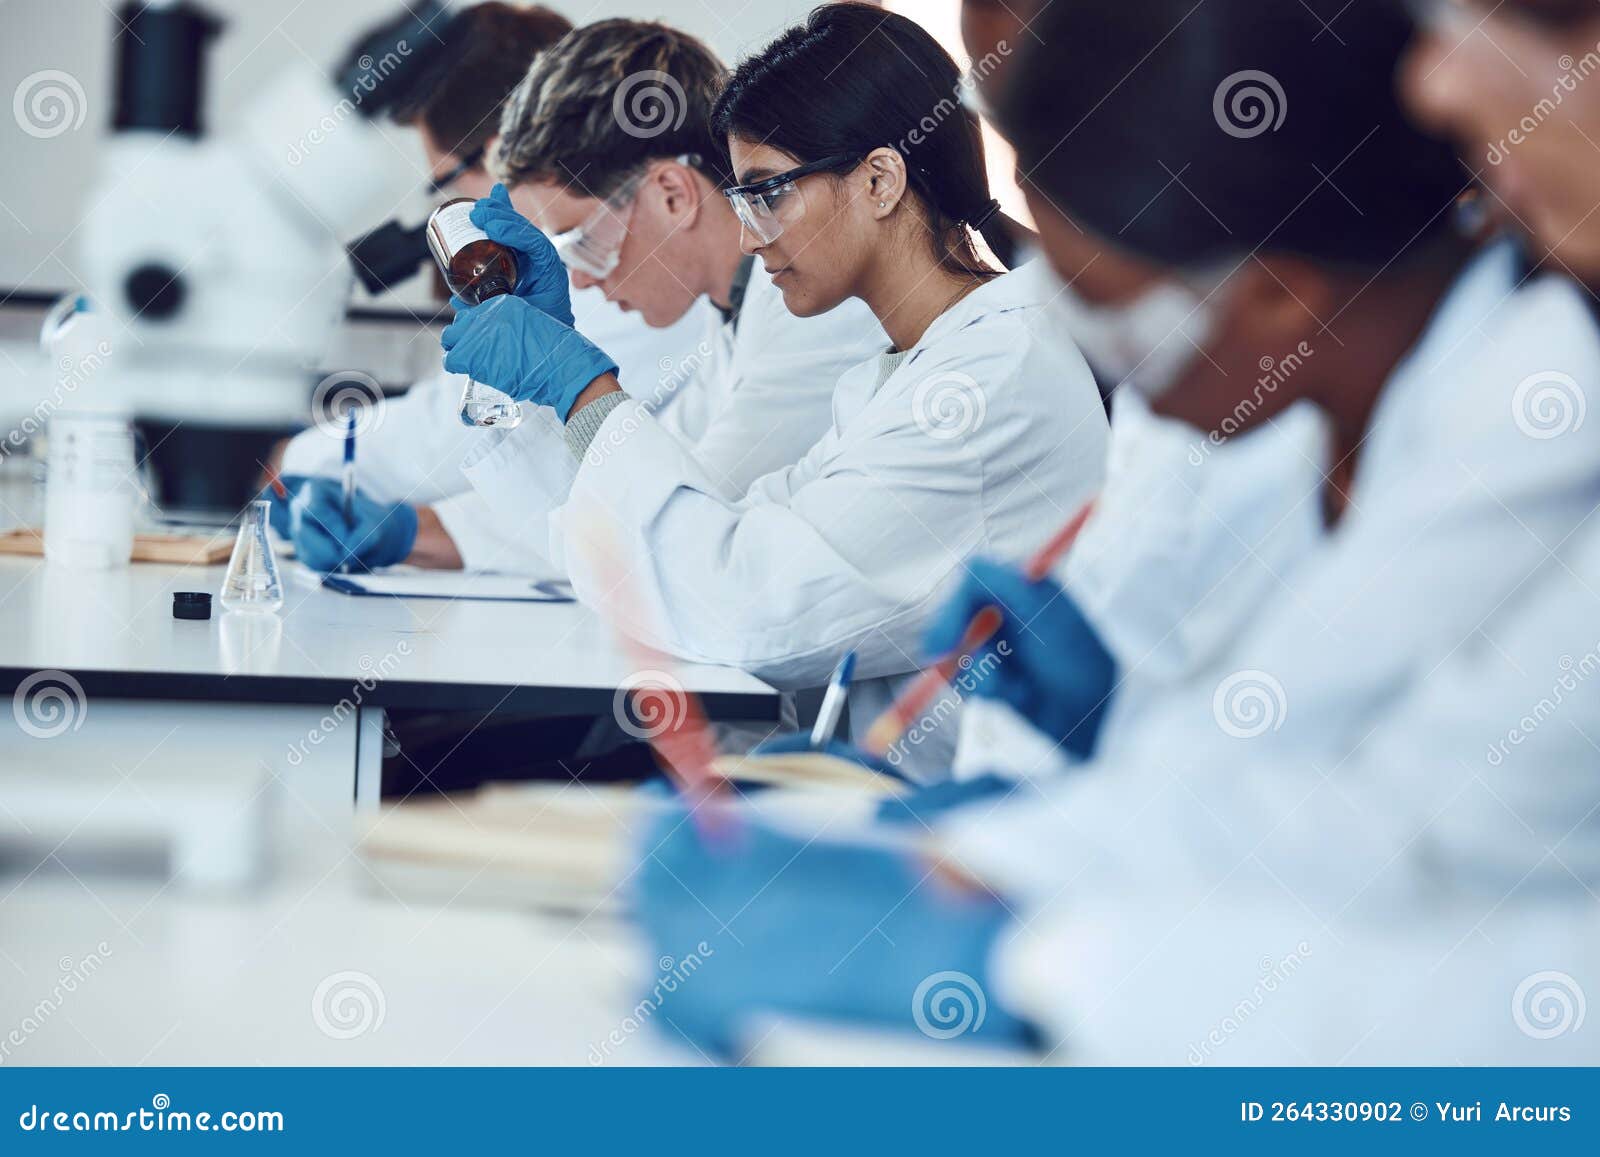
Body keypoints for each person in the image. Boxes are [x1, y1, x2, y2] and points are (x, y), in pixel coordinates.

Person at [629, 0, 1600, 1061]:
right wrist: (1066, 791)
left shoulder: (1532, 410)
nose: (1446, 82)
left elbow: (1421, 854)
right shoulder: (1373, 394)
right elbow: (1308, 787)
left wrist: (1014, 949)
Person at [442, 3, 1108, 782]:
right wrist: (571, 394)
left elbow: (752, 607)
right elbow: (736, 535)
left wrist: (582, 386)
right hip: (885, 791)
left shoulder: (989, 378)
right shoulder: (893, 374)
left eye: (767, 191)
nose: (751, 239)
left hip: (962, 829)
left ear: (880, 179)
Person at [272, 4, 708, 574]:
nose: (445, 206)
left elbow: (455, 431)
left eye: (447, 181)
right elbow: (583, 497)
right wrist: (409, 531)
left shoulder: (626, 263)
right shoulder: (594, 255)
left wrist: (296, 459)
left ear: (503, 151)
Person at [432, 17, 886, 553]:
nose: (576, 277)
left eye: (579, 242)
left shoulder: (811, 316)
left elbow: (671, 540)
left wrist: (571, 382)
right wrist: (404, 533)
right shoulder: (733, 323)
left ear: (672, 193)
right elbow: (625, 490)